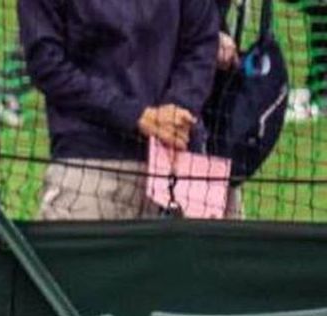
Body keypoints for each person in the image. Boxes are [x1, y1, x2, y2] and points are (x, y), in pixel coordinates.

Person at [19, 0, 227, 219]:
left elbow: (202, 43)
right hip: (92, 162)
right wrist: (138, 115)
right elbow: (47, 63)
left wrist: (175, 112)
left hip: (179, 160)